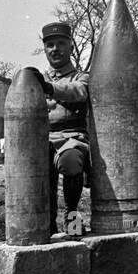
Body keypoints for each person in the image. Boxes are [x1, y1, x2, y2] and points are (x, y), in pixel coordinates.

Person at [33, 22, 90, 233]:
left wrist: (48, 89)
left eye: (60, 43)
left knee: (71, 162)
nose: (55, 49)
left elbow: (78, 92)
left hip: (71, 137)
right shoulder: (37, 78)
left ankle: (72, 219)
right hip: (42, 139)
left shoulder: (81, 77)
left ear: (71, 47)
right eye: (50, 45)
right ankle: (46, 224)